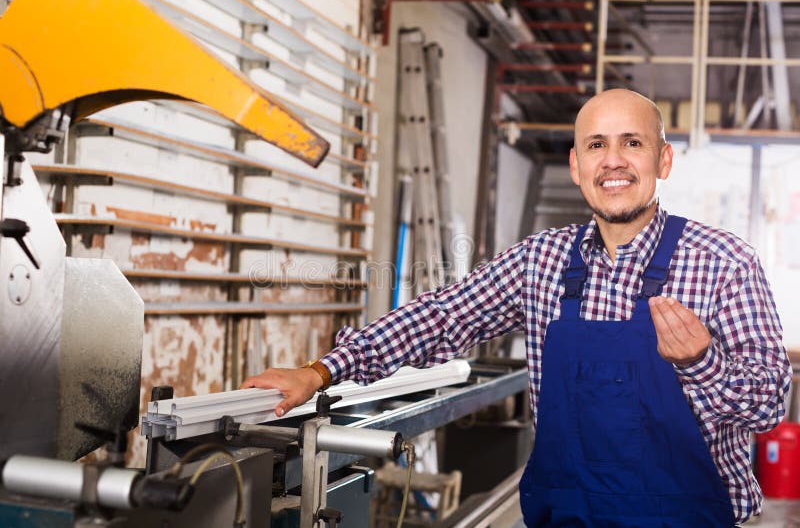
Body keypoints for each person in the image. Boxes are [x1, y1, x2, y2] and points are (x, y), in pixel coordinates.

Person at [242, 88, 791, 526]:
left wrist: (702, 363)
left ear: (663, 159)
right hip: (567, 518)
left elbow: (770, 403)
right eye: (597, 145)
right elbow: (442, 316)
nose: (614, 161)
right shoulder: (542, 261)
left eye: (633, 143)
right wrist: (321, 372)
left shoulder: (724, 261)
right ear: (576, 165)